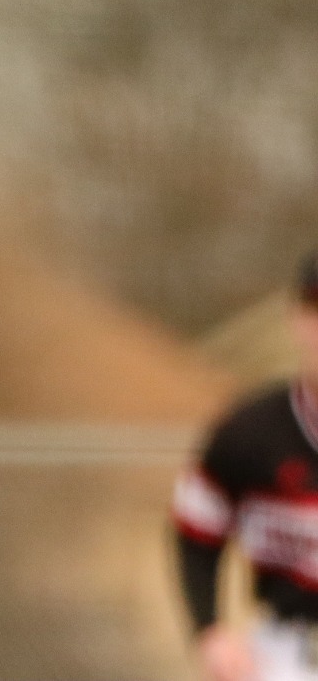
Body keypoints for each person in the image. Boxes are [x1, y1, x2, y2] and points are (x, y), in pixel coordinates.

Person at [175, 252, 318, 681]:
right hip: (287, 652)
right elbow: (195, 532)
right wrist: (210, 629)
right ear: (296, 319)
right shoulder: (248, 431)